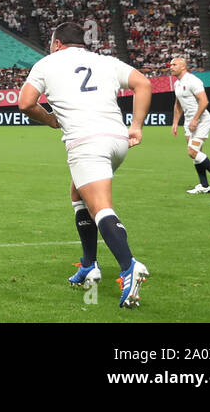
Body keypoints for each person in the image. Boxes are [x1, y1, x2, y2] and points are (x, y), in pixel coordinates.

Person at [18, 21, 152, 308]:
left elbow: (26, 103)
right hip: (117, 140)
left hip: (86, 142)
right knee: (78, 194)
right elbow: (143, 84)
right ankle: (89, 264)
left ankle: (129, 266)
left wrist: (52, 120)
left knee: (101, 207)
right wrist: (137, 126)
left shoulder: (46, 63)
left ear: (56, 43)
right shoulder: (105, 61)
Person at [169, 56, 210, 194]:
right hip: (189, 121)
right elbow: (178, 105)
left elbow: (204, 101)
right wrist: (175, 122)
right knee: (196, 154)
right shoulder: (177, 84)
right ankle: (204, 185)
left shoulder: (193, 81)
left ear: (183, 67)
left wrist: (195, 120)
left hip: (201, 120)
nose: (171, 67)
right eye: (170, 64)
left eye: (174, 64)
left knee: (192, 151)